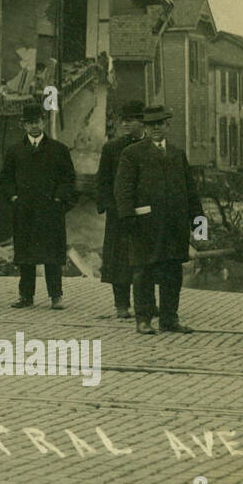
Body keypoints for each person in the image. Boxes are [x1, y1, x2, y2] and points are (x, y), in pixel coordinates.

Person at [114, 105, 203, 335]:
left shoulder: (177, 154)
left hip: (174, 226)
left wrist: (199, 225)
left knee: (173, 272)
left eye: (159, 124)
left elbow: (191, 191)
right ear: (144, 127)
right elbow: (123, 190)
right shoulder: (132, 154)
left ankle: (169, 319)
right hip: (144, 225)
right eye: (150, 125)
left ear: (167, 125)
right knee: (143, 272)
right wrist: (127, 218)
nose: (155, 129)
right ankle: (143, 319)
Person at [0, 102, 77, 310]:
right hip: (24, 211)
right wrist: (14, 198)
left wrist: (59, 200)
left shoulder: (58, 150)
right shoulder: (15, 151)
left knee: (52, 255)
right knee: (25, 256)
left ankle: (56, 295)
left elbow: (68, 179)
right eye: (29, 122)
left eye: (37, 121)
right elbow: (5, 180)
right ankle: (26, 296)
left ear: (43, 121)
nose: (34, 126)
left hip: (50, 211)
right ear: (23, 125)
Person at [97, 100, 146, 318]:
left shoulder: (151, 148)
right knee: (118, 260)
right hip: (118, 214)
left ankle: (144, 305)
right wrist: (110, 206)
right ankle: (121, 305)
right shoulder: (112, 148)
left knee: (144, 260)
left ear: (142, 122)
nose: (125, 124)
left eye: (131, 120)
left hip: (145, 213)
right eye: (123, 120)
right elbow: (103, 182)